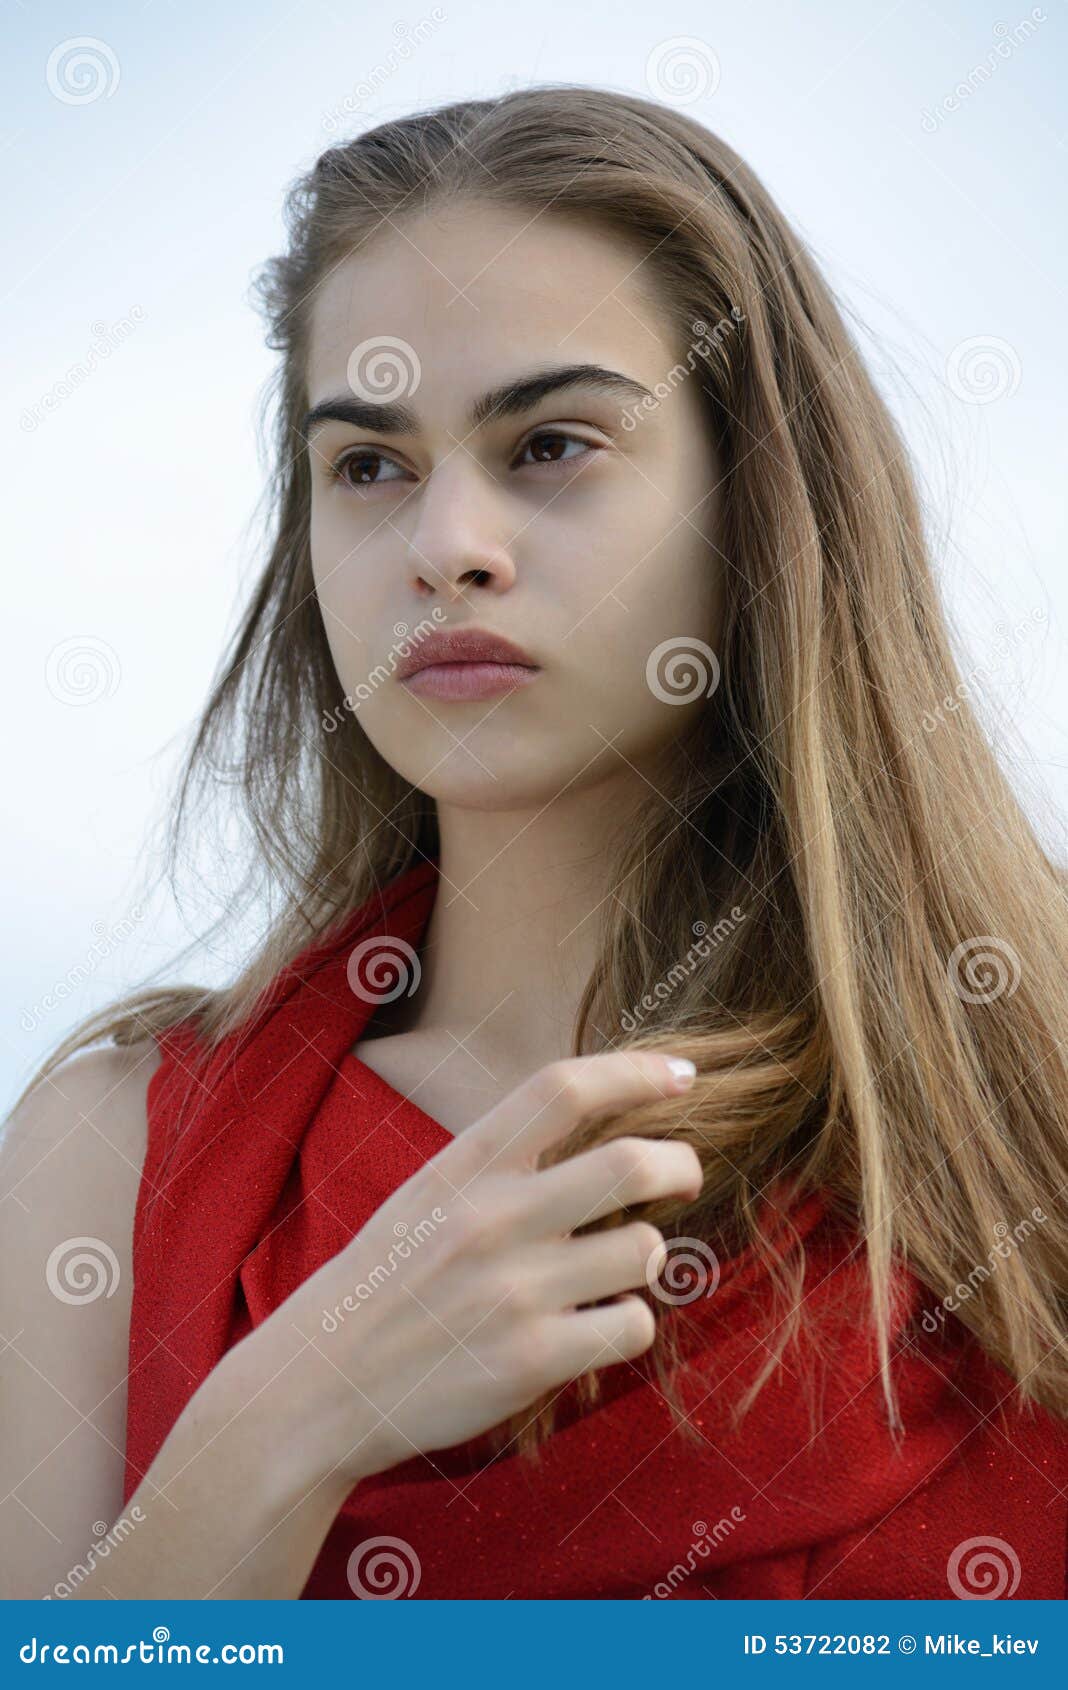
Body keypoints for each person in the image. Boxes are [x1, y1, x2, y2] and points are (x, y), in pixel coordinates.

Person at [3, 84, 1066, 1602]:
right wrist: (279, 1424)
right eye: (368, 465)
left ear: (758, 503)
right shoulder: (110, 1158)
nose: (446, 544)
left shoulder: (1022, 1097)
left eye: (552, 443)